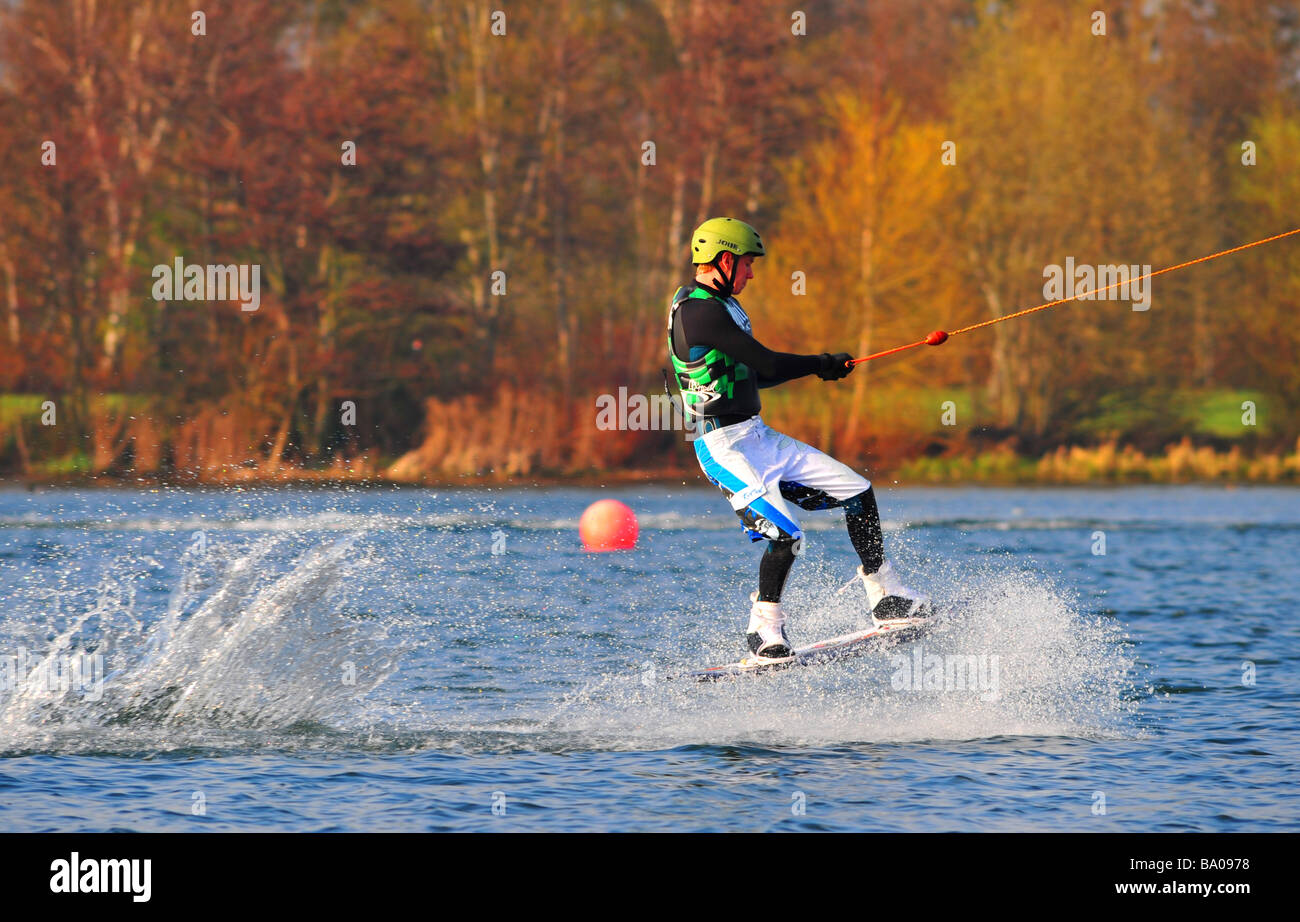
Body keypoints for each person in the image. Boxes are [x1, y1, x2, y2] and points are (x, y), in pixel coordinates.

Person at [667, 217, 932, 662]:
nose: (751, 274)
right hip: (722, 446)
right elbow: (768, 365)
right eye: (748, 264)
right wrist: (820, 363)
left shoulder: (725, 307)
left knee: (858, 491)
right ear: (725, 260)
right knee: (785, 533)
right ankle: (763, 629)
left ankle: (887, 597)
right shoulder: (697, 311)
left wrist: (820, 367)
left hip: (757, 436)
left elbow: (751, 377)